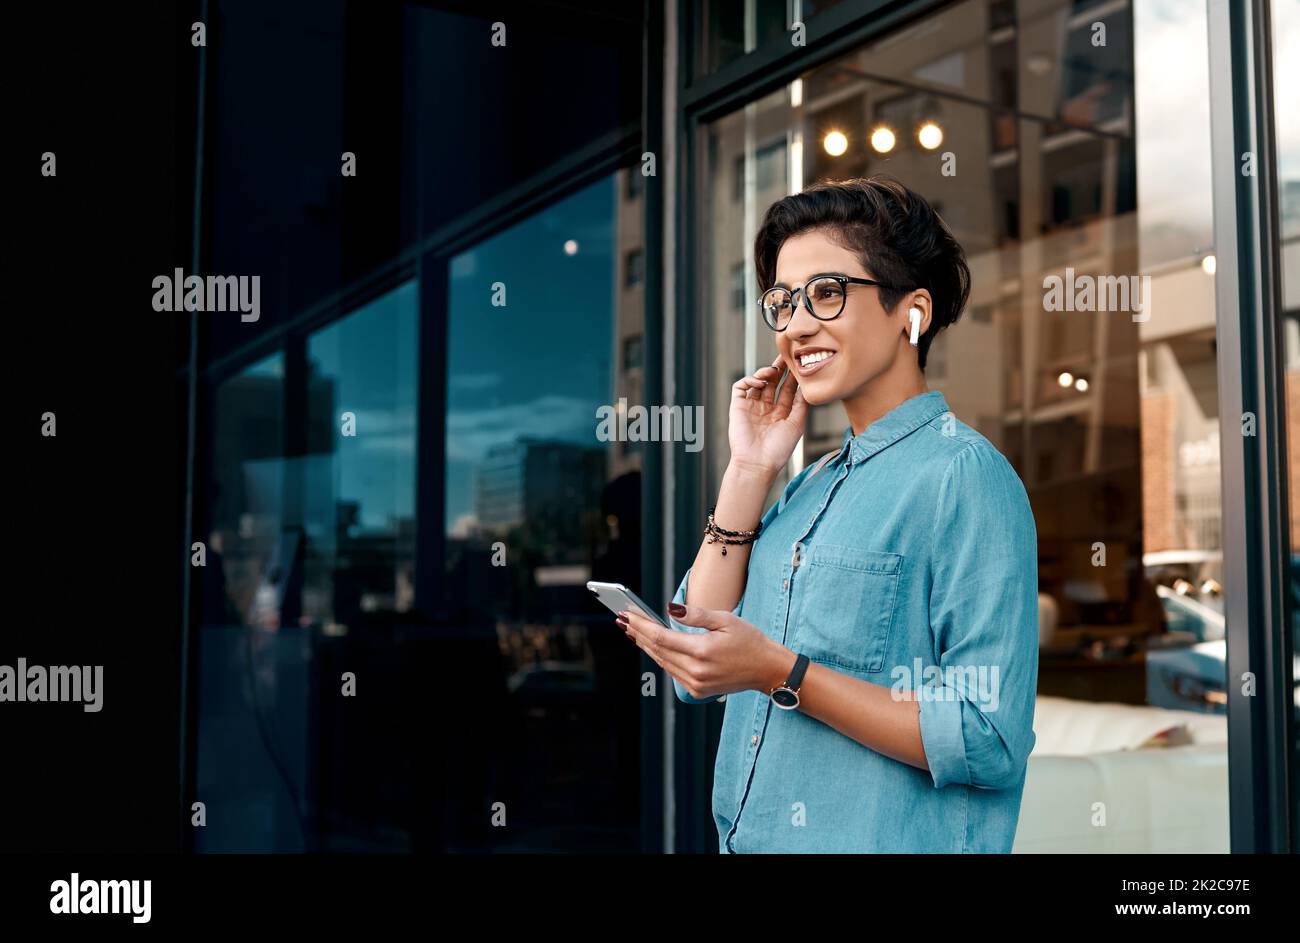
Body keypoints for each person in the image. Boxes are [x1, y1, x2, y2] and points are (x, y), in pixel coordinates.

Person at [619, 175, 1039, 853]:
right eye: (782, 303)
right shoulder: (807, 485)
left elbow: (987, 737)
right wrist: (750, 469)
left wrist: (783, 674)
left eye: (826, 293)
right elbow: (698, 650)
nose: (796, 325)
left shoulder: (963, 476)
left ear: (914, 312)